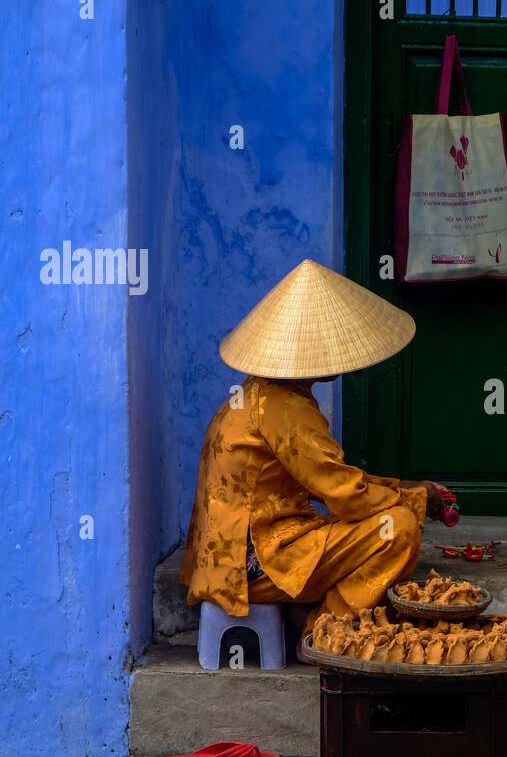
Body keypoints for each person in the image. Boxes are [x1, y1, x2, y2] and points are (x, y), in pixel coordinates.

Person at [180, 259, 450, 648]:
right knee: (400, 528)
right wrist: (416, 499)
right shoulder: (287, 409)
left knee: (383, 518)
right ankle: (322, 632)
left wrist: (405, 486)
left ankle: (305, 616)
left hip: (231, 559)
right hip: (254, 565)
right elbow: (346, 496)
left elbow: (332, 476)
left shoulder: (259, 393)